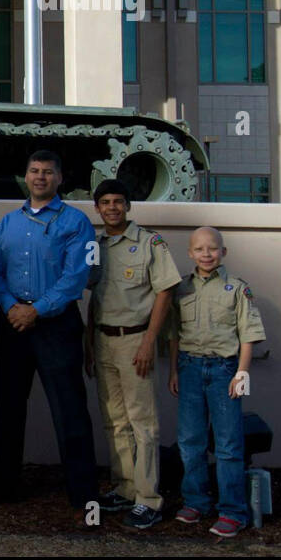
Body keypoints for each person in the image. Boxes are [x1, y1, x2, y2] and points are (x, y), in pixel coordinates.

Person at [0, 149, 98, 520]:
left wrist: (37, 310)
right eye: (34, 171)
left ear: (59, 178)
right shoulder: (8, 222)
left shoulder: (76, 222)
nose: (39, 177)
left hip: (55, 324)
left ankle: (82, 493)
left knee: (69, 409)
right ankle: (5, 488)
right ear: (26, 176)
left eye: (47, 172)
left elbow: (75, 278)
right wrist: (10, 306)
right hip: (13, 321)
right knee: (9, 407)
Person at [85, 179, 180, 530]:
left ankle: (148, 499)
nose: (112, 207)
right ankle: (125, 488)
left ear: (128, 206)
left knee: (143, 423)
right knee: (115, 420)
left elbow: (165, 294)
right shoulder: (95, 246)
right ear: (97, 208)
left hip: (135, 341)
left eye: (119, 201)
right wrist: (88, 346)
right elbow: (94, 297)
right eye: (105, 202)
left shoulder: (150, 243)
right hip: (102, 340)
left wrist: (148, 343)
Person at [169, 227, 266, 539]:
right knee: (190, 441)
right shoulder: (181, 288)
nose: (206, 254)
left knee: (228, 444)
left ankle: (232, 511)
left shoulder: (236, 289)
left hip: (225, 370)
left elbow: (248, 334)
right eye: (199, 249)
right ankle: (196, 501)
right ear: (190, 253)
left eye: (212, 248)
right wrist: (173, 371)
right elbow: (174, 335)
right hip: (189, 369)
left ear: (224, 252)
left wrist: (242, 373)